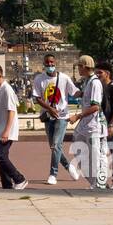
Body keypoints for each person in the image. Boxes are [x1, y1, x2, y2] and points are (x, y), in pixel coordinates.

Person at [31, 53, 80, 185]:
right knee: (54, 147)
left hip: (62, 116)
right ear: (44, 64)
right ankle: (68, 166)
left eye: (52, 63)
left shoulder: (64, 78)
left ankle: (53, 174)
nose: (50, 65)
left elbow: (74, 92)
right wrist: (50, 109)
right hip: (48, 116)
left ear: (55, 63)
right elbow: (37, 98)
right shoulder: (39, 79)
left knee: (57, 144)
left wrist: (87, 88)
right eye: (47, 63)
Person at [0, 64, 26, 190]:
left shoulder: (6, 89)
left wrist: (6, 131)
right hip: (0, 128)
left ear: (0, 76)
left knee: (0, 155)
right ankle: (7, 185)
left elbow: (11, 110)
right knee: (2, 157)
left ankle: (19, 179)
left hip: (5, 130)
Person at [69, 55, 107, 189]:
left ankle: (98, 183)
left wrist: (78, 116)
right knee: (79, 149)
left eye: (79, 66)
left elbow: (96, 106)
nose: (78, 69)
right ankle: (94, 182)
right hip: (87, 125)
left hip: (94, 126)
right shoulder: (88, 81)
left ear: (84, 66)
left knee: (96, 157)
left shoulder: (95, 83)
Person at [98, 63, 113, 190]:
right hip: (99, 127)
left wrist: (111, 124)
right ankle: (102, 181)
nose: (97, 75)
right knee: (100, 155)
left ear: (107, 73)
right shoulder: (98, 87)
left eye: (100, 72)